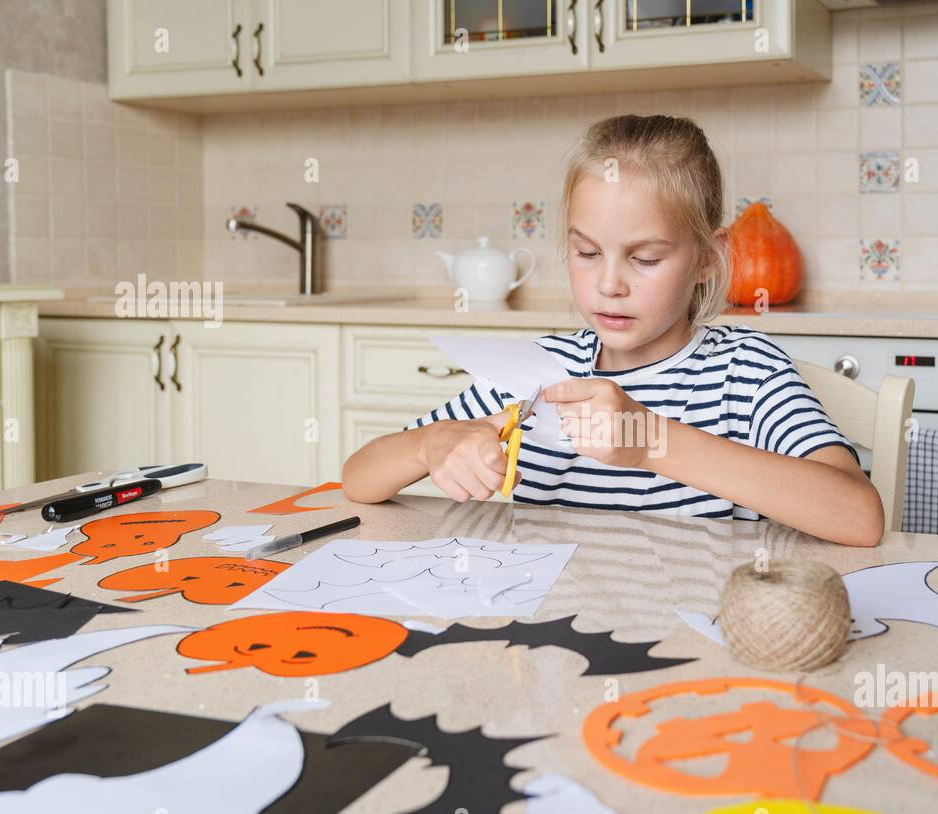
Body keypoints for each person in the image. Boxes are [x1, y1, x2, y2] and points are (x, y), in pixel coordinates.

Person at [342, 114, 884, 546]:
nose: (608, 284)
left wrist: (650, 440)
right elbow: (357, 479)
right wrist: (431, 446)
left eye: (644, 258)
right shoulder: (536, 373)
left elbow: (858, 517)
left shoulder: (745, 372)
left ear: (707, 259)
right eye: (586, 252)